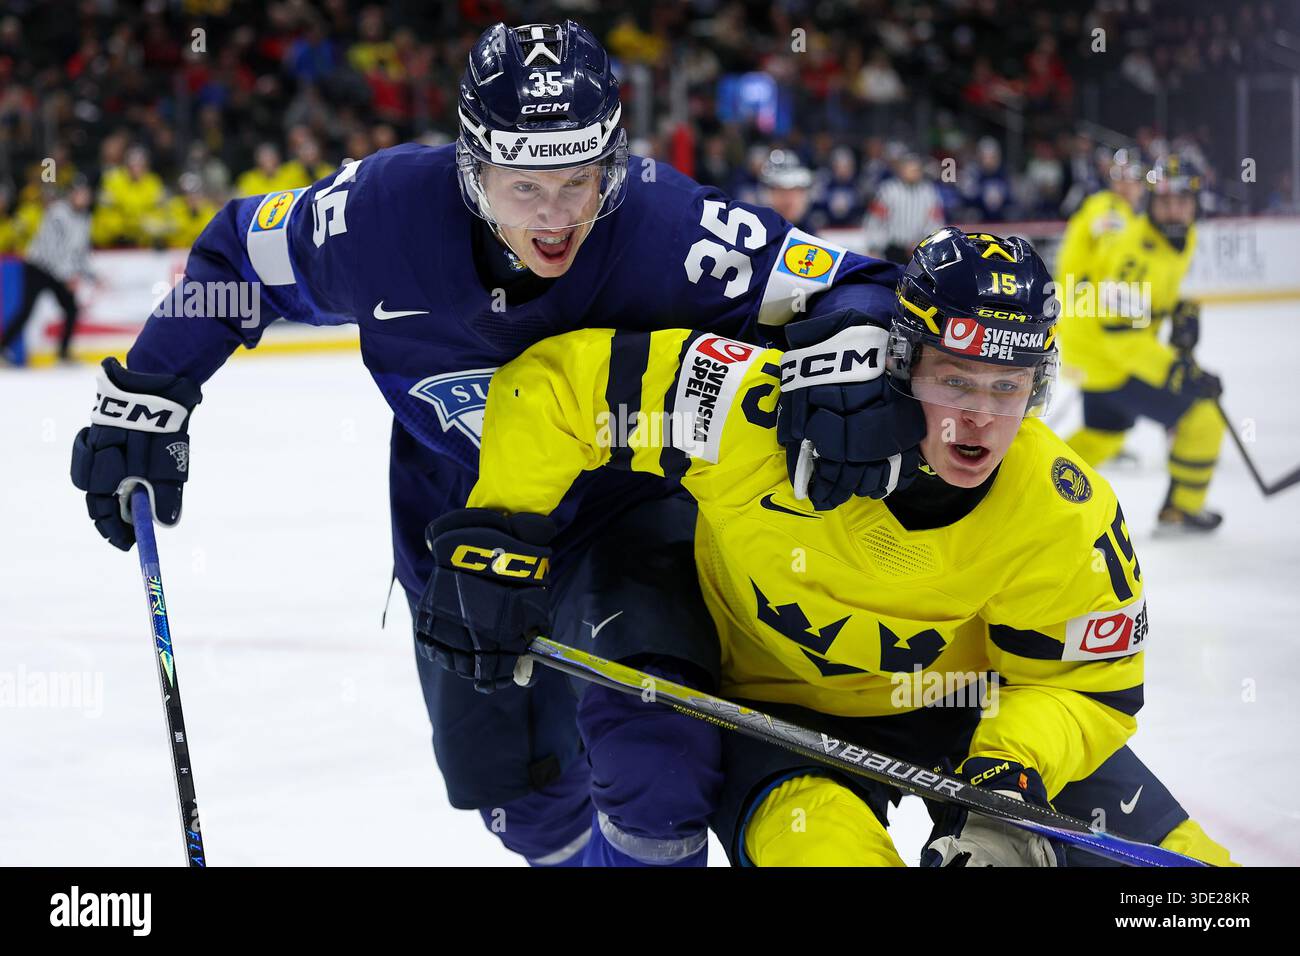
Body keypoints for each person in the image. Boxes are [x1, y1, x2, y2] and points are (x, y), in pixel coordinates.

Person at [69, 20, 901, 868]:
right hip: (457, 534)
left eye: (581, 180)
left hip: (622, 526)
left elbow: (853, 286)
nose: (557, 217)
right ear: (473, 167)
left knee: (655, 764)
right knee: (520, 797)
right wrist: (151, 389)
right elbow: (242, 261)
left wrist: (849, 353)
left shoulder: (668, 229)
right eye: (526, 186)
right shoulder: (379, 217)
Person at [428, 228, 1234, 866]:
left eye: (1007, 387)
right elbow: (558, 387)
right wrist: (501, 538)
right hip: (779, 722)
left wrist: (1011, 772)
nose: (981, 419)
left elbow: (1087, 689)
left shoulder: (1064, 509)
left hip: (964, 717)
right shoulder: (759, 415)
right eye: (954, 379)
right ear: (899, 360)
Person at [1059, 154, 1225, 532]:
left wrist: (1175, 311)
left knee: (1105, 434)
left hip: (1088, 345)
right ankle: (1181, 510)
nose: (1174, 211)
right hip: (1104, 355)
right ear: (1150, 202)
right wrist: (1176, 372)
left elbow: (1140, 302)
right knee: (1203, 416)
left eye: (1183, 201)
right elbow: (1122, 337)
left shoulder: (1181, 235)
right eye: (1165, 201)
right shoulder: (1131, 251)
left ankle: (1024, 479)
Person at [0, 178, 94, 365]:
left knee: (71, 309)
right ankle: (2, 349)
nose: (83, 198)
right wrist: (68, 278)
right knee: (26, 311)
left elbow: (79, 252)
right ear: (71, 195)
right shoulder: (58, 213)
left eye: (86, 194)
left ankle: (63, 353)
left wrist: (91, 275)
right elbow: (52, 251)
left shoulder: (85, 218)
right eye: (79, 193)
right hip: (38, 267)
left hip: (59, 273)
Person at [863, 152, 943, 263]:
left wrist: (926, 242)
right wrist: (874, 245)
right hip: (893, 247)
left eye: (916, 170)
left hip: (920, 249)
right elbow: (875, 220)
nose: (914, 173)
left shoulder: (928, 191)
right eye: (910, 169)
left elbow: (935, 221)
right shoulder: (888, 190)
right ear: (901, 170)